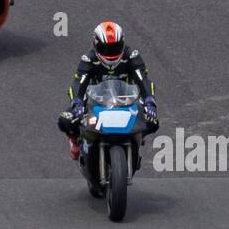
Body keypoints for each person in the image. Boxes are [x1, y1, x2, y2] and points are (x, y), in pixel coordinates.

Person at [59, 22, 157, 160]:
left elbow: (143, 79)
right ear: (96, 44)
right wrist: (77, 102)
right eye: (106, 49)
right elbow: (79, 82)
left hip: (126, 102)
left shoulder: (131, 56)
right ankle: (75, 141)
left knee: (153, 121)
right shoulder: (89, 60)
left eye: (115, 47)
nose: (111, 53)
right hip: (94, 104)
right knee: (65, 120)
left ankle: (137, 139)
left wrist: (149, 100)